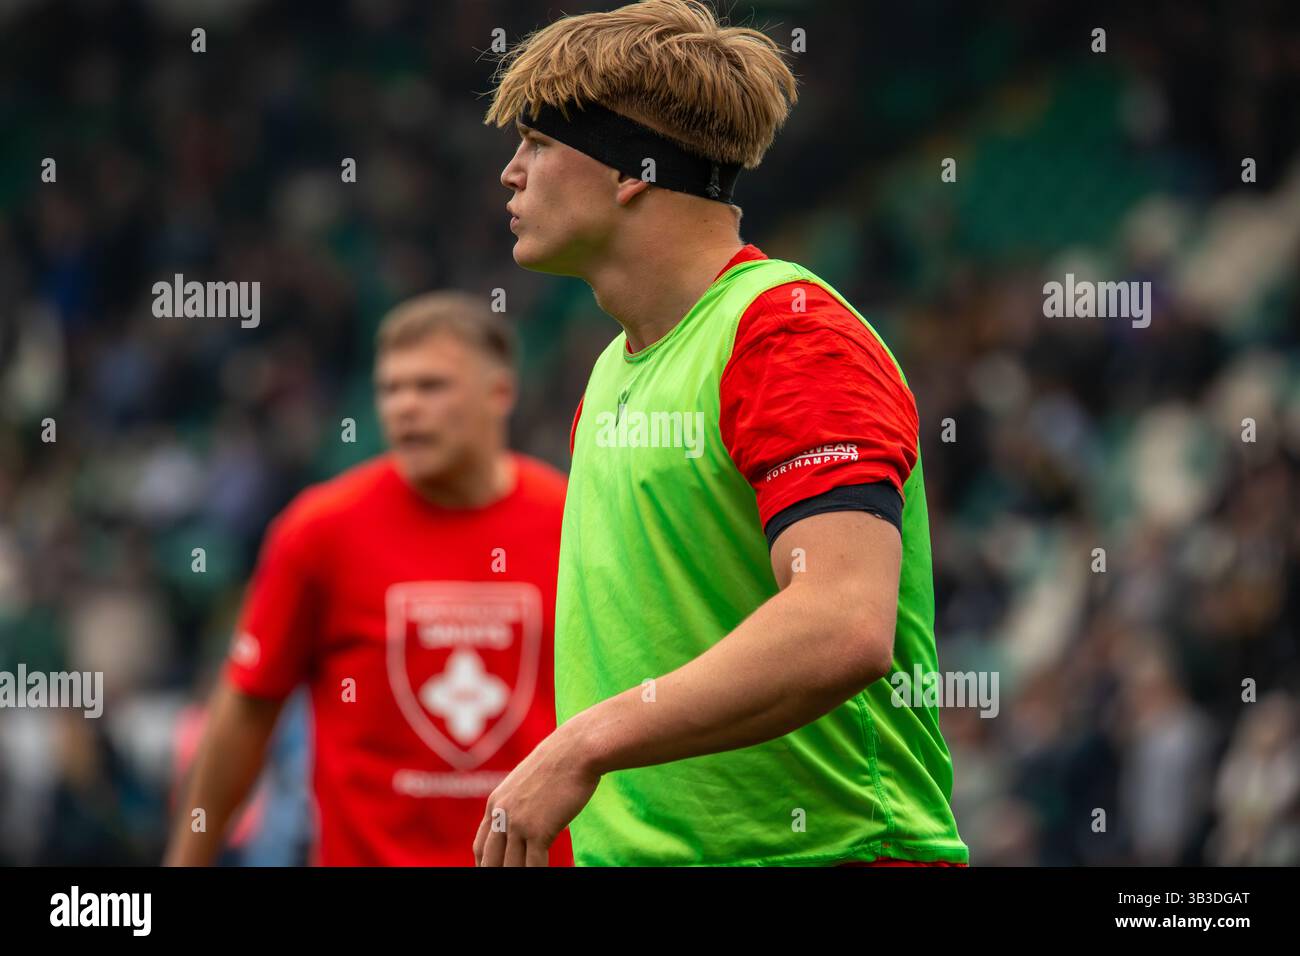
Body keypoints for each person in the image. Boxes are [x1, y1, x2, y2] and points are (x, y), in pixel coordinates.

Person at [474, 0, 968, 867]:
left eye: (538, 143)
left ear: (631, 170)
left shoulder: (789, 334)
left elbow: (842, 624)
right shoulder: (613, 367)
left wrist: (582, 742)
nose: (510, 175)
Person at [164, 291, 572, 866]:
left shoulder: (572, 520)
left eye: (431, 387)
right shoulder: (321, 529)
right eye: (391, 389)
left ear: (500, 393)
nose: (405, 407)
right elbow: (248, 706)